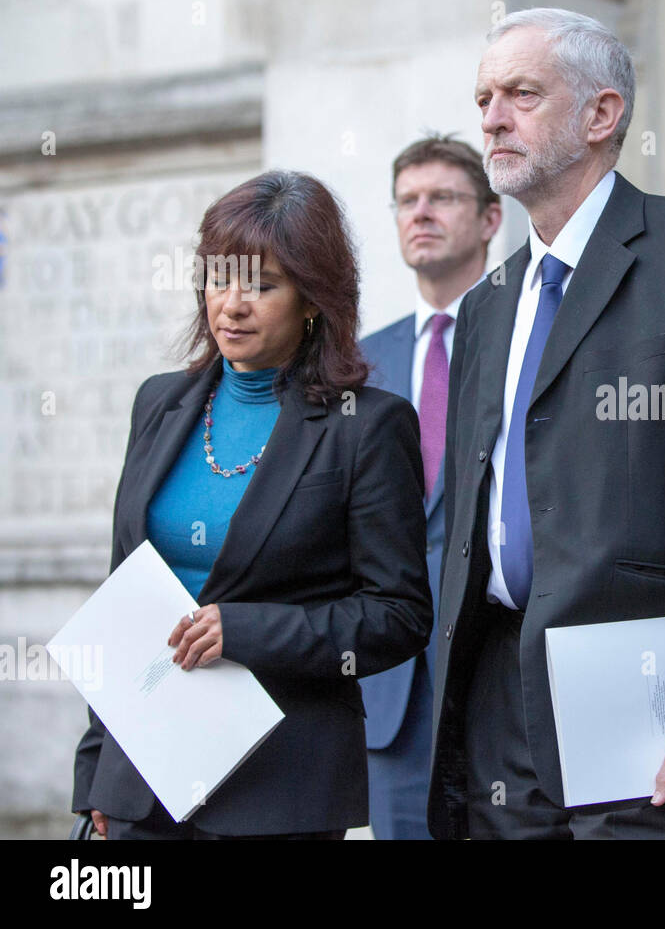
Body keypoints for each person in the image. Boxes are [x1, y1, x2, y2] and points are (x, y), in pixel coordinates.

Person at [427, 7, 665, 839]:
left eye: (522, 94)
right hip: (501, 702)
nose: (493, 117)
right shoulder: (490, 306)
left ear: (602, 116)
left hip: (656, 713)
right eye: (484, 98)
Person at [71, 170, 433, 839]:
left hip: (278, 790)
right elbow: (122, 599)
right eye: (218, 278)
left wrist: (247, 632)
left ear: (313, 301)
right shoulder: (159, 403)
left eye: (262, 286)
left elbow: (399, 616)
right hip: (142, 785)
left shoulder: (368, 426)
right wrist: (97, 770)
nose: (231, 304)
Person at [358, 136, 501, 839]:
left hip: (497, 678)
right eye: (408, 201)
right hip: (392, 691)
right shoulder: (362, 363)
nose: (422, 214)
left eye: (442, 198)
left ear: (490, 219)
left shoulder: (530, 339)